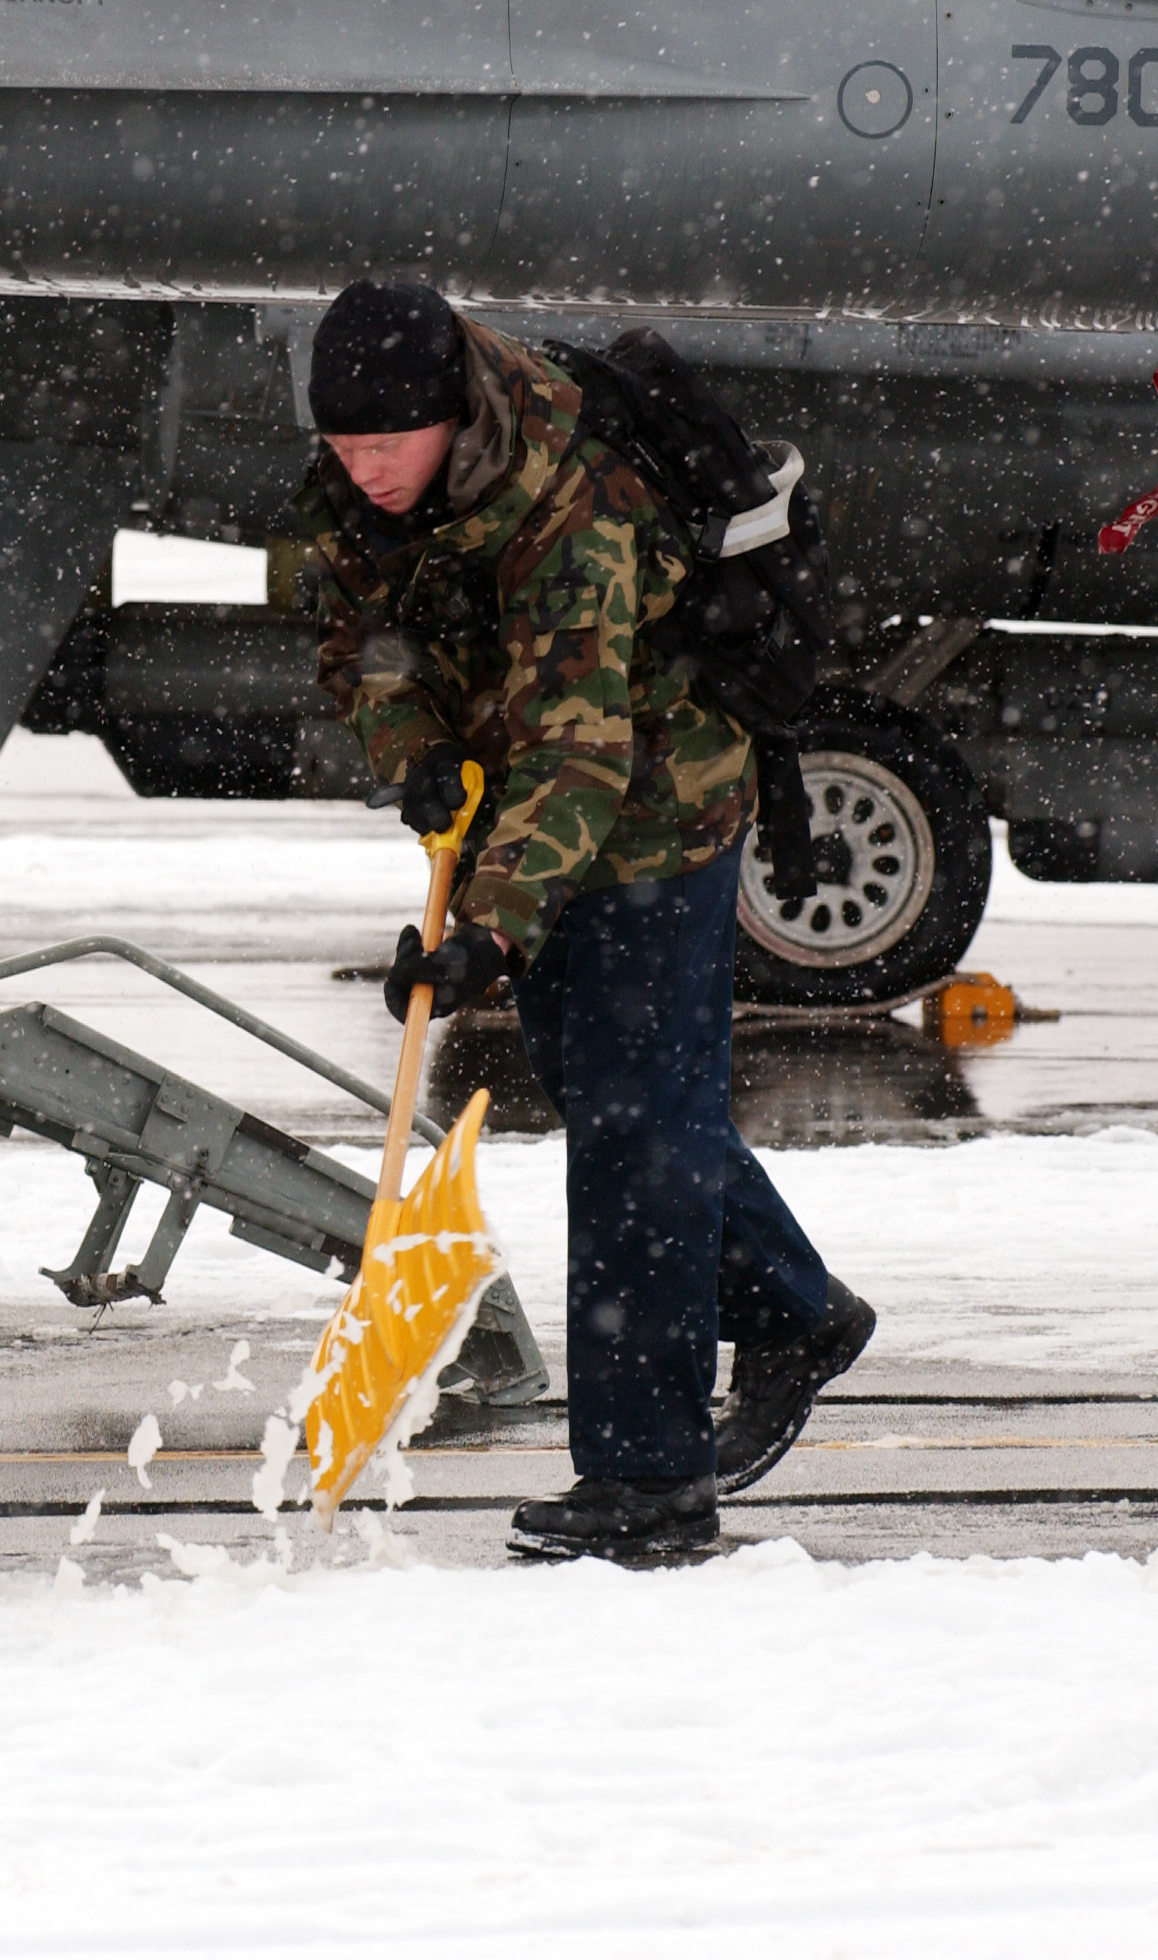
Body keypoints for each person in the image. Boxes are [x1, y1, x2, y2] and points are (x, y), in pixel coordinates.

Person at [270, 279, 876, 1559]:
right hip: (534, 802)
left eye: (388, 442)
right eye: (343, 444)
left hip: (654, 800)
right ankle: (791, 1307)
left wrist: (486, 927)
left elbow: (577, 752)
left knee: (633, 1137)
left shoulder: (568, 505)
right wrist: (417, 747)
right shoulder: (346, 489)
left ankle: (646, 1485)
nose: (365, 469)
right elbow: (358, 644)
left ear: (449, 416)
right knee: (614, 1096)